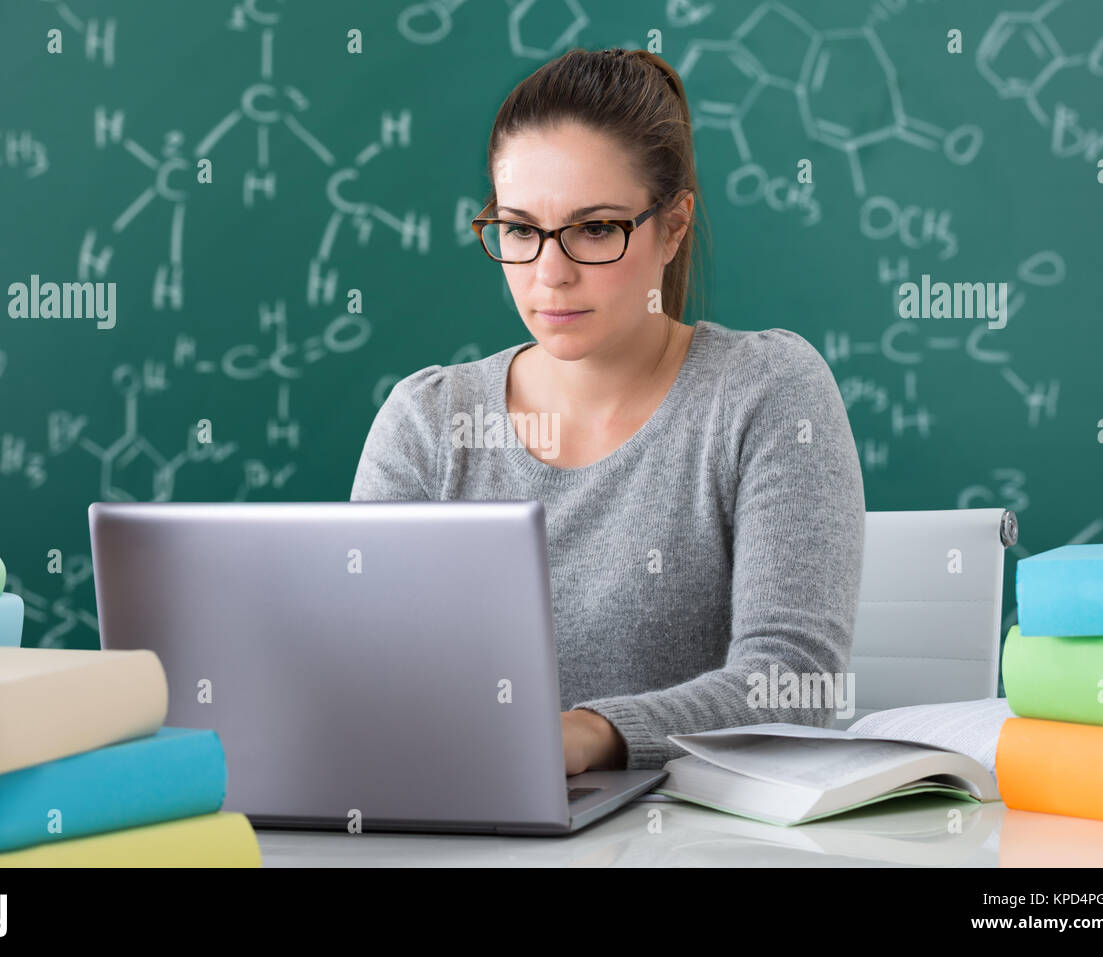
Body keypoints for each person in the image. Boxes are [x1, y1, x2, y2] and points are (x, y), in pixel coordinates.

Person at [351, 48, 865, 775]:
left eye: (595, 228)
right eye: (520, 230)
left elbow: (793, 679)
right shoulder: (427, 421)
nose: (549, 273)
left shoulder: (767, 391)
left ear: (674, 226)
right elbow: (357, 670)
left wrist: (589, 734)